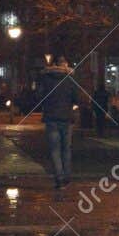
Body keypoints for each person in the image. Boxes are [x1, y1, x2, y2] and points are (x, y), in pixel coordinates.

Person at [38, 55, 79, 190]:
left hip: (51, 117)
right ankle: (66, 176)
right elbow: (76, 98)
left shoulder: (47, 79)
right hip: (66, 118)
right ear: (65, 65)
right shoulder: (70, 80)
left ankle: (59, 178)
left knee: (55, 149)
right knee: (66, 149)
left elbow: (40, 96)